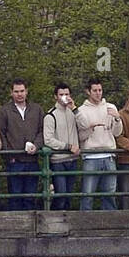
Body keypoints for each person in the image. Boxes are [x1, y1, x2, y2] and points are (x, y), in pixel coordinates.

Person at [75, 77, 123, 210]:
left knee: (110, 193)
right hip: (90, 156)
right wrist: (90, 128)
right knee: (88, 194)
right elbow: (80, 136)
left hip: (109, 155)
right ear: (88, 92)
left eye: (100, 90)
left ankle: (108, 222)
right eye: (95, 90)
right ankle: (85, 221)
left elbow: (117, 133)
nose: (98, 93)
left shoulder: (110, 107)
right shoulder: (81, 111)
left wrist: (117, 118)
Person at [0, 79, 43, 211]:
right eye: (16, 91)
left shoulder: (37, 109)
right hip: (14, 161)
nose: (19, 94)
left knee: (30, 197)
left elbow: (42, 131)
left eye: (22, 91)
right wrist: (8, 155)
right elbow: (1, 133)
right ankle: (16, 228)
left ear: (26, 91)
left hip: (32, 160)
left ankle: (31, 229)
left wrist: (37, 145)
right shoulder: (4, 111)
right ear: (11, 93)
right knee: (15, 197)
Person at [43, 83, 80, 211]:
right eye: (61, 94)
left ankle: (67, 226)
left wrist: (74, 108)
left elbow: (85, 126)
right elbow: (48, 140)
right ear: (55, 97)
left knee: (69, 196)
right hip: (58, 160)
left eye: (67, 94)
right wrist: (67, 146)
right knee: (61, 195)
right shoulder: (50, 115)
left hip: (73, 160)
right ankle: (54, 222)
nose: (64, 97)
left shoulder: (74, 112)